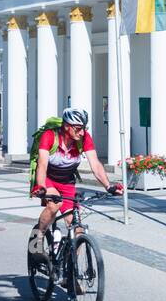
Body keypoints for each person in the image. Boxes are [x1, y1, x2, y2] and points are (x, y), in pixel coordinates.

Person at [29, 109, 120, 259]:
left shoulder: (84, 139)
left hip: (67, 181)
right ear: (66, 126)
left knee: (77, 229)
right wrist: (41, 187)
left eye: (84, 128)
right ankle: (37, 238)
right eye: (78, 128)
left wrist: (108, 186)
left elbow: (95, 164)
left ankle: (72, 274)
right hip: (47, 179)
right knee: (54, 205)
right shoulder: (50, 136)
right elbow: (42, 164)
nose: (82, 132)